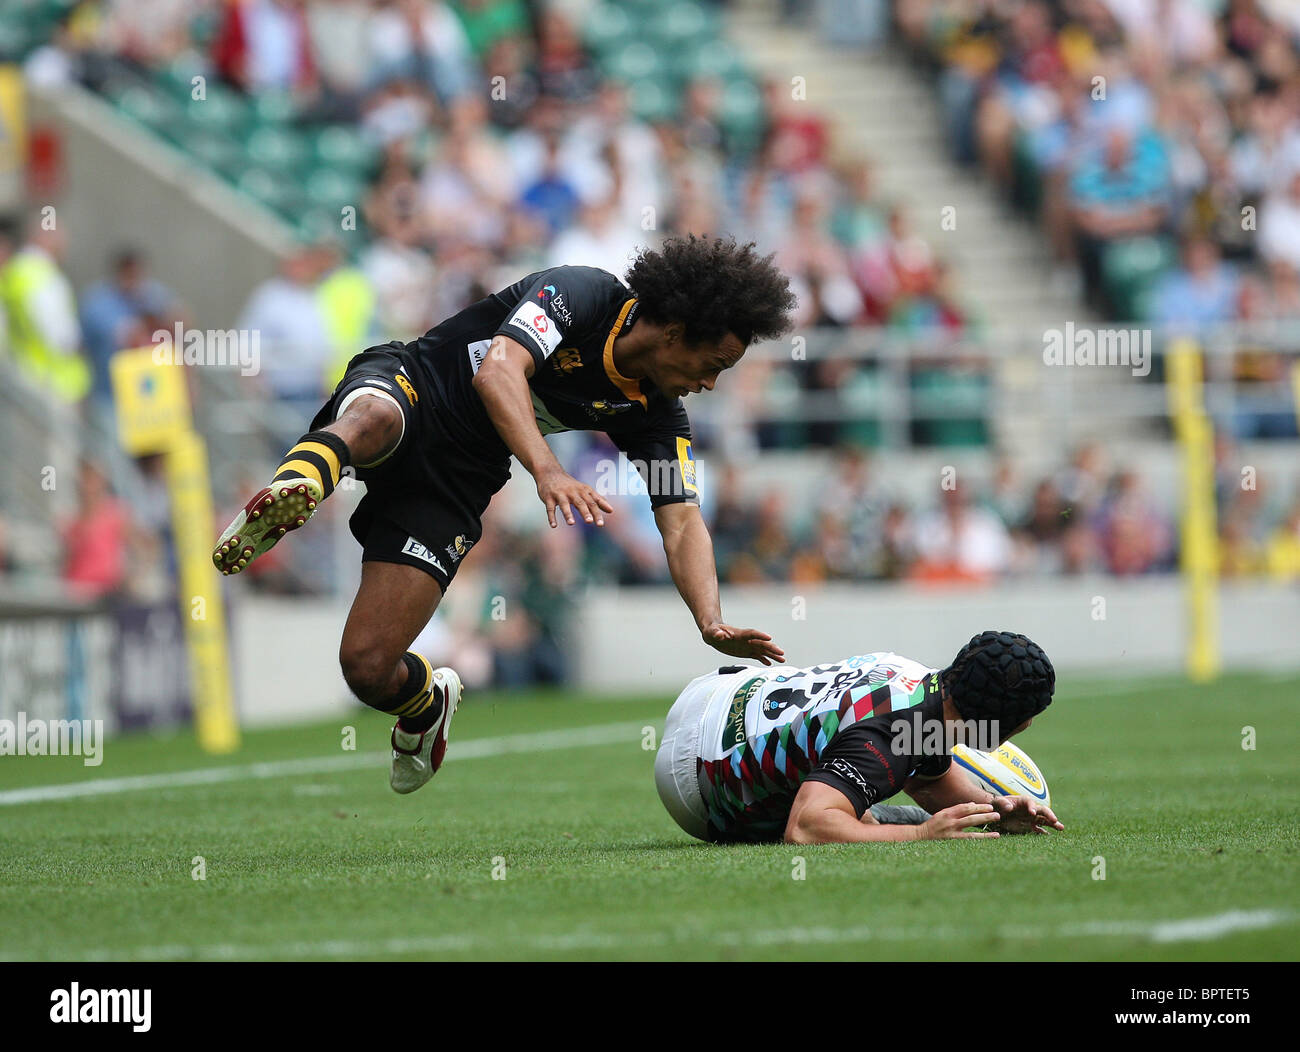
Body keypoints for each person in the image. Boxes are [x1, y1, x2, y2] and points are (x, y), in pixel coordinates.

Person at [213, 235, 797, 794]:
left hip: (456, 482)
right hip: (412, 386)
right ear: (674, 332)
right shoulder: (583, 294)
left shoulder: (656, 419)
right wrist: (547, 470)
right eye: (713, 362)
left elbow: (681, 519)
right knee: (374, 419)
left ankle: (426, 704)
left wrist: (710, 620)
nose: (711, 384)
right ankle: (300, 482)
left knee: (366, 666)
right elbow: (498, 369)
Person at [655, 630, 1064, 844]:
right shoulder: (890, 733)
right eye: (1026, 718)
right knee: (846, 819)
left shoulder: (917, 683)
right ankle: (870, 814)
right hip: (696, 781)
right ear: (1000, 722)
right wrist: (922, 833)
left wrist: (994, 808)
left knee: (851, 790)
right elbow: (806, 827)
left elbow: (929, 777)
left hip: (717, 690)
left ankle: (863, 809)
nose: (1027, 726)